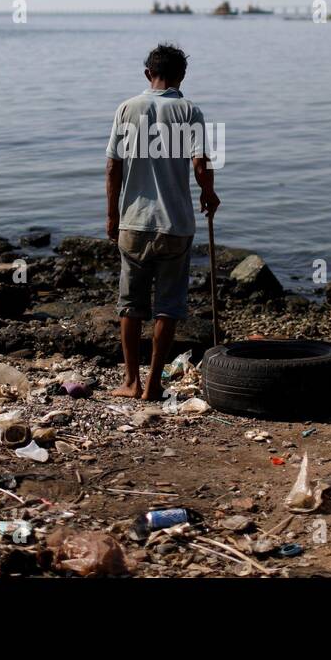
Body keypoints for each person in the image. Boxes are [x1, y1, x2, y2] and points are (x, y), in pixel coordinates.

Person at [105, 43, 219, 400]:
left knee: (130, 304)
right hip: (176, 224)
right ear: (181, 76)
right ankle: (154, 383)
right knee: (168, 306)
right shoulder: (190, 111)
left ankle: (130, 382)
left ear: (147, 74)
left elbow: (113, 167)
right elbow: (200, 165)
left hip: (134, 222)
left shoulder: (126, 108)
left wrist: (112, 215)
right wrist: (209, 193)